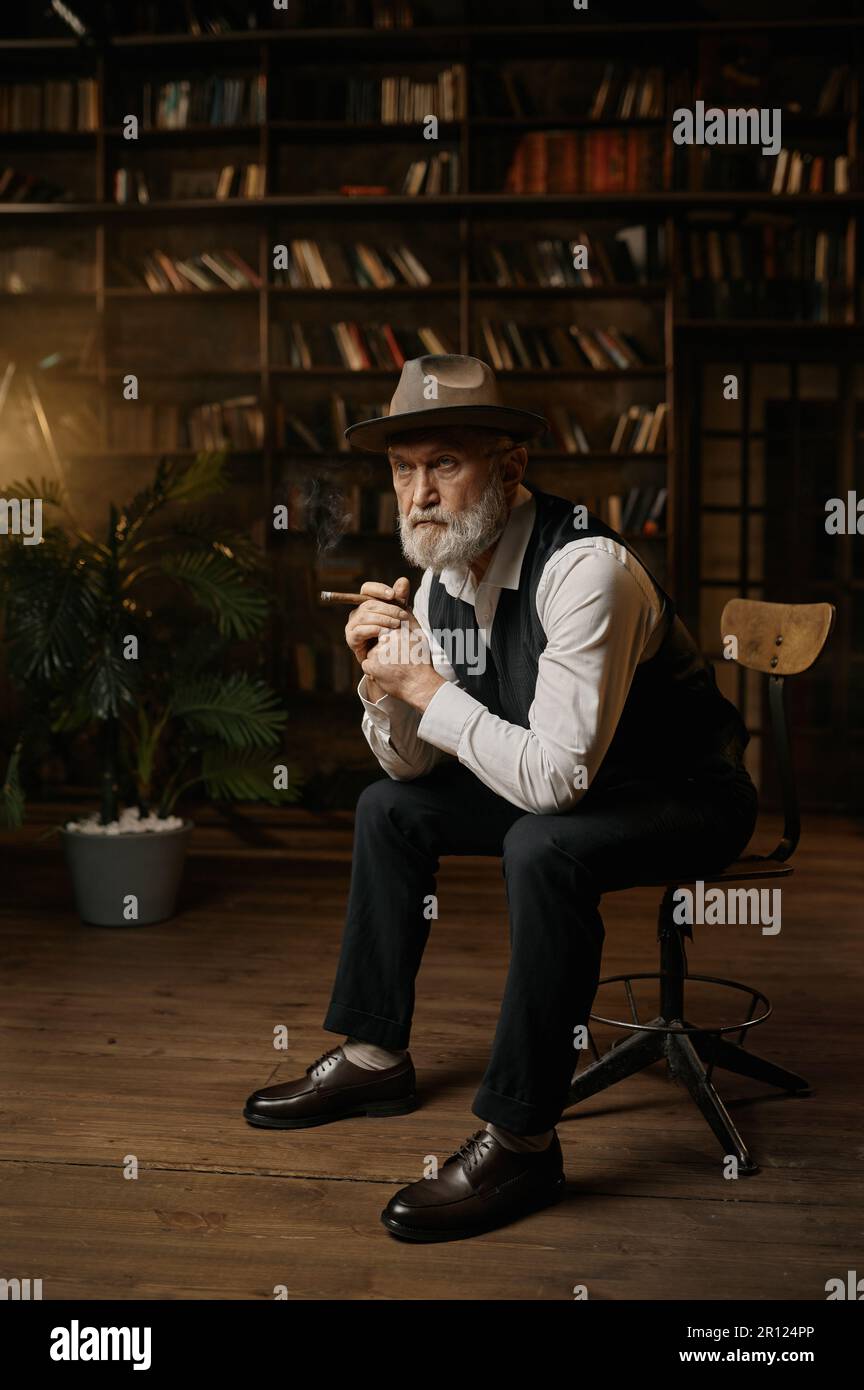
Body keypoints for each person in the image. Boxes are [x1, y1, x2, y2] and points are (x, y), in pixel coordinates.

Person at [244, 354, 758, 1244]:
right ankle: (376, 1055)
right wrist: (384, 679)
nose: (419, 494)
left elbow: (555, 783)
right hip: (570, 787)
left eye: (445, 463)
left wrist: (428, 691)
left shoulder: (584, 569)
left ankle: (523, 1140)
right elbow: (412, 771)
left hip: (685, 792)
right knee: (387, 810)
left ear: (511, 466)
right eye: (403, 469)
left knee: (542, 846)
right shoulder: (443, 579)